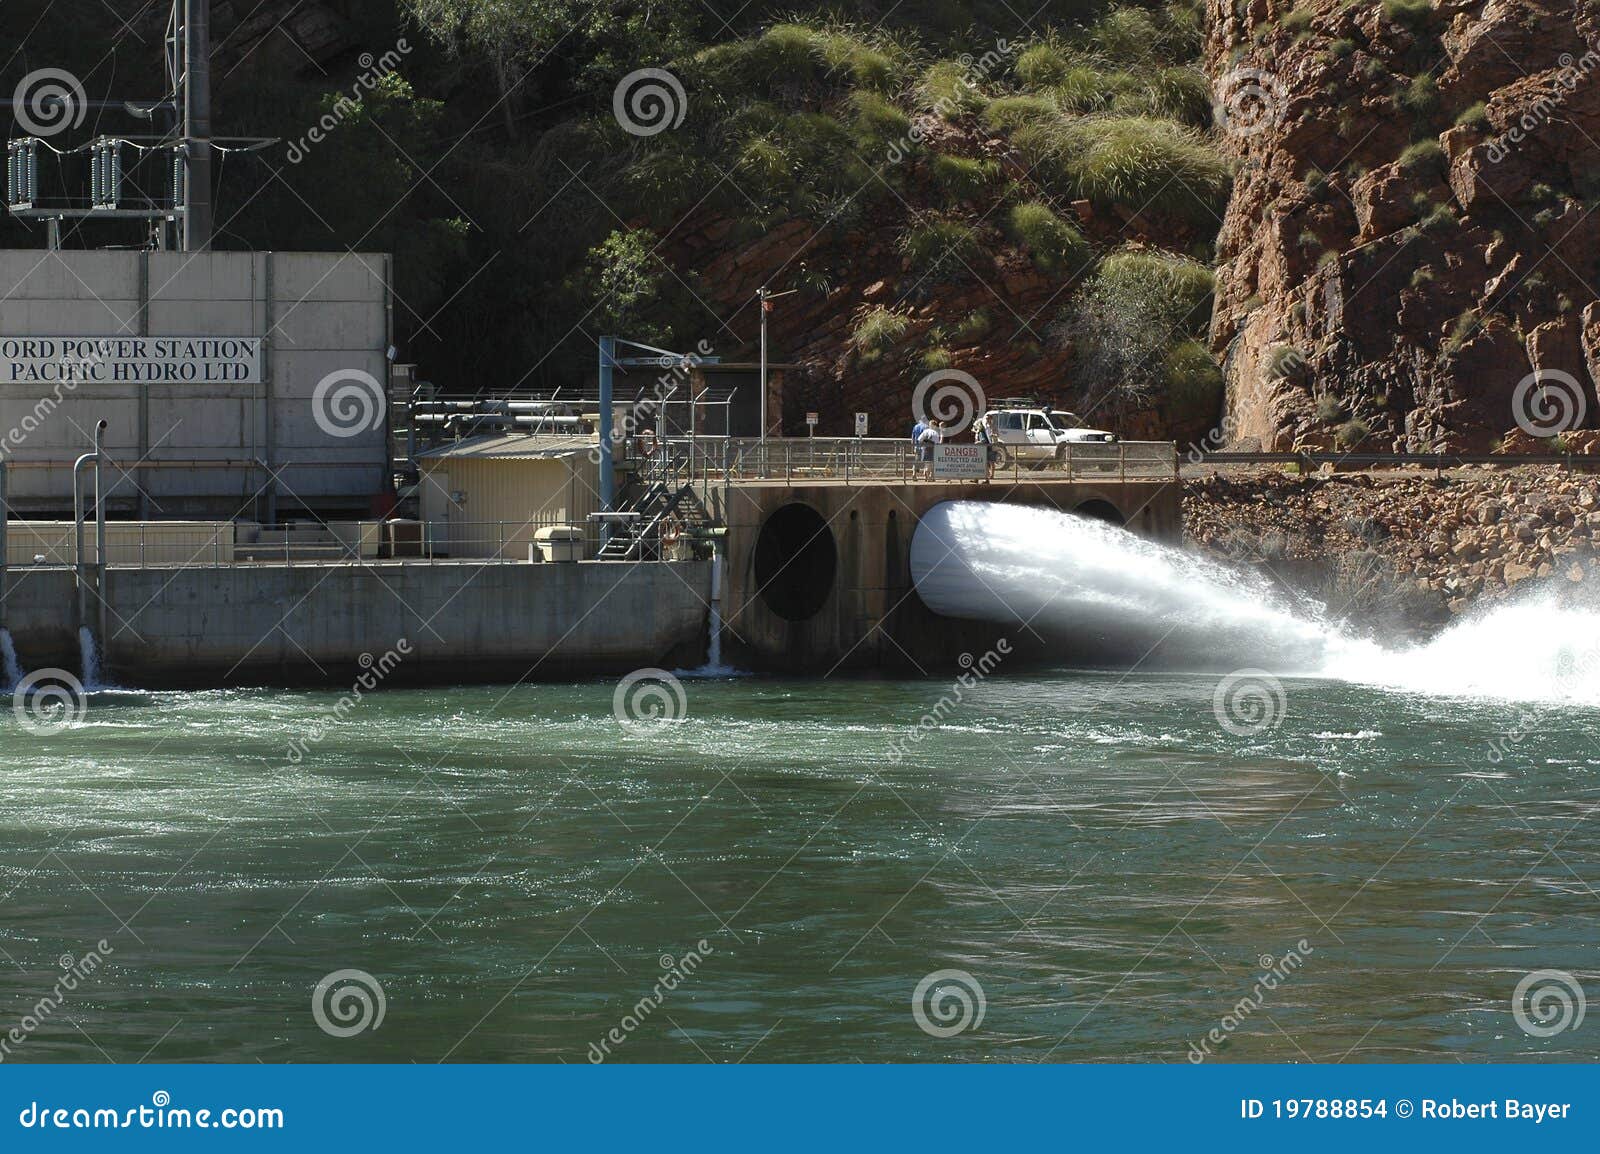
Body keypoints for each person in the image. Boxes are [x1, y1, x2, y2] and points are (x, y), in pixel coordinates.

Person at [974, 417, 995, 481]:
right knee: (984, 464)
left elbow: (983, 441)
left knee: (985, 464)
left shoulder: (981, 432)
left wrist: (976, 443)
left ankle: (985, 479)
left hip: (985, 449)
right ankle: (977, 478)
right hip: (986, 448)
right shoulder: (983, 431)